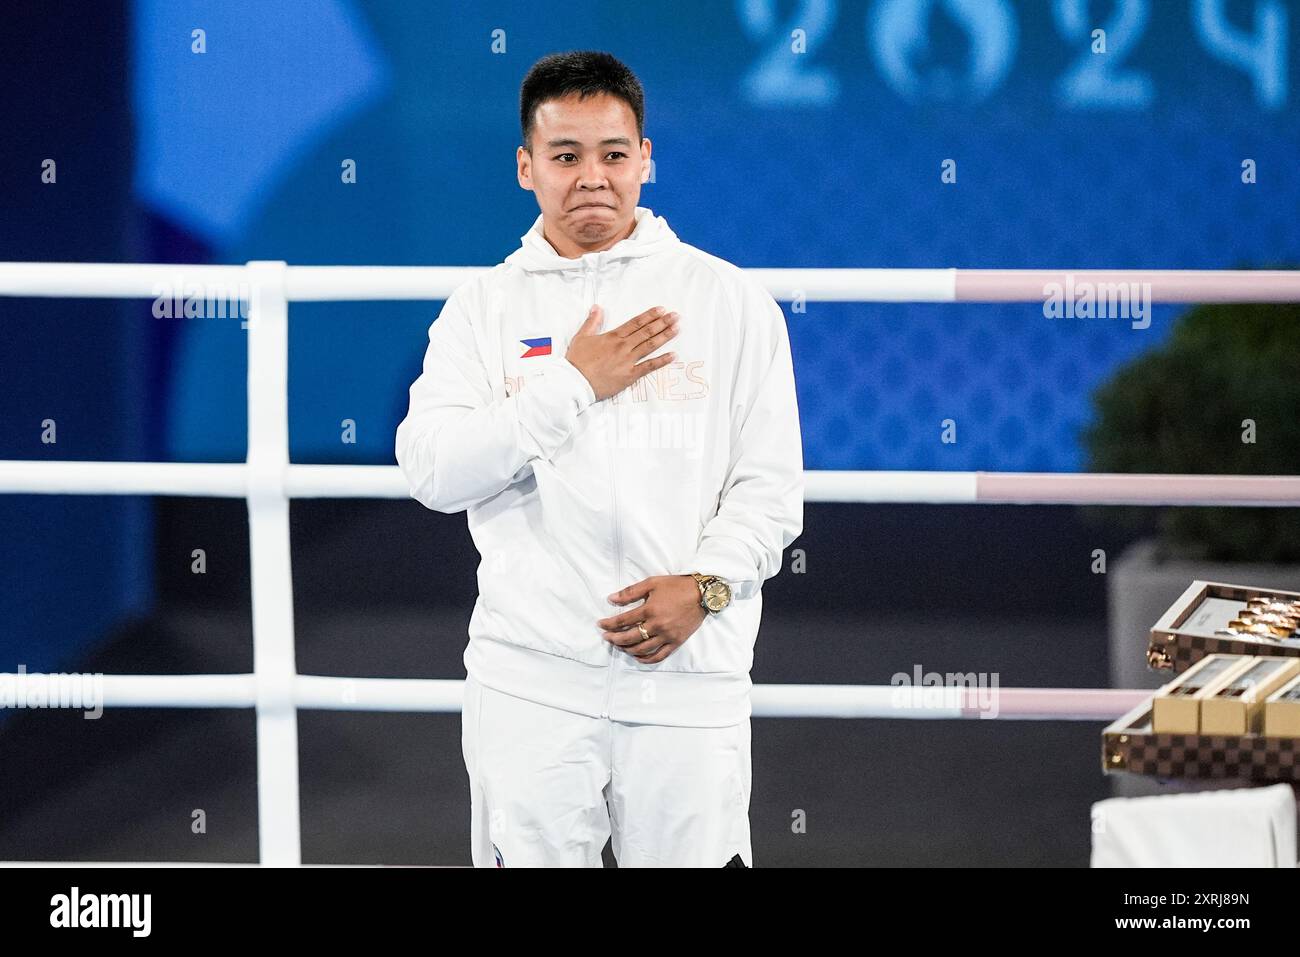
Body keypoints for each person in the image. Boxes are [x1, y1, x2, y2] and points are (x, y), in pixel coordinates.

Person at [395, 50, 803, 867]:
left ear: (645, 160)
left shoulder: (729, 301)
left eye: (614, 154)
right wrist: (571, 385)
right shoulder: (483, 308)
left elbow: (769, 491)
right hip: (531, 681)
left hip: (690, 673)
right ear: (525, 167)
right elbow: (433, 470)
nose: (592, 177)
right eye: (565, 155)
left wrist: (707, 587)